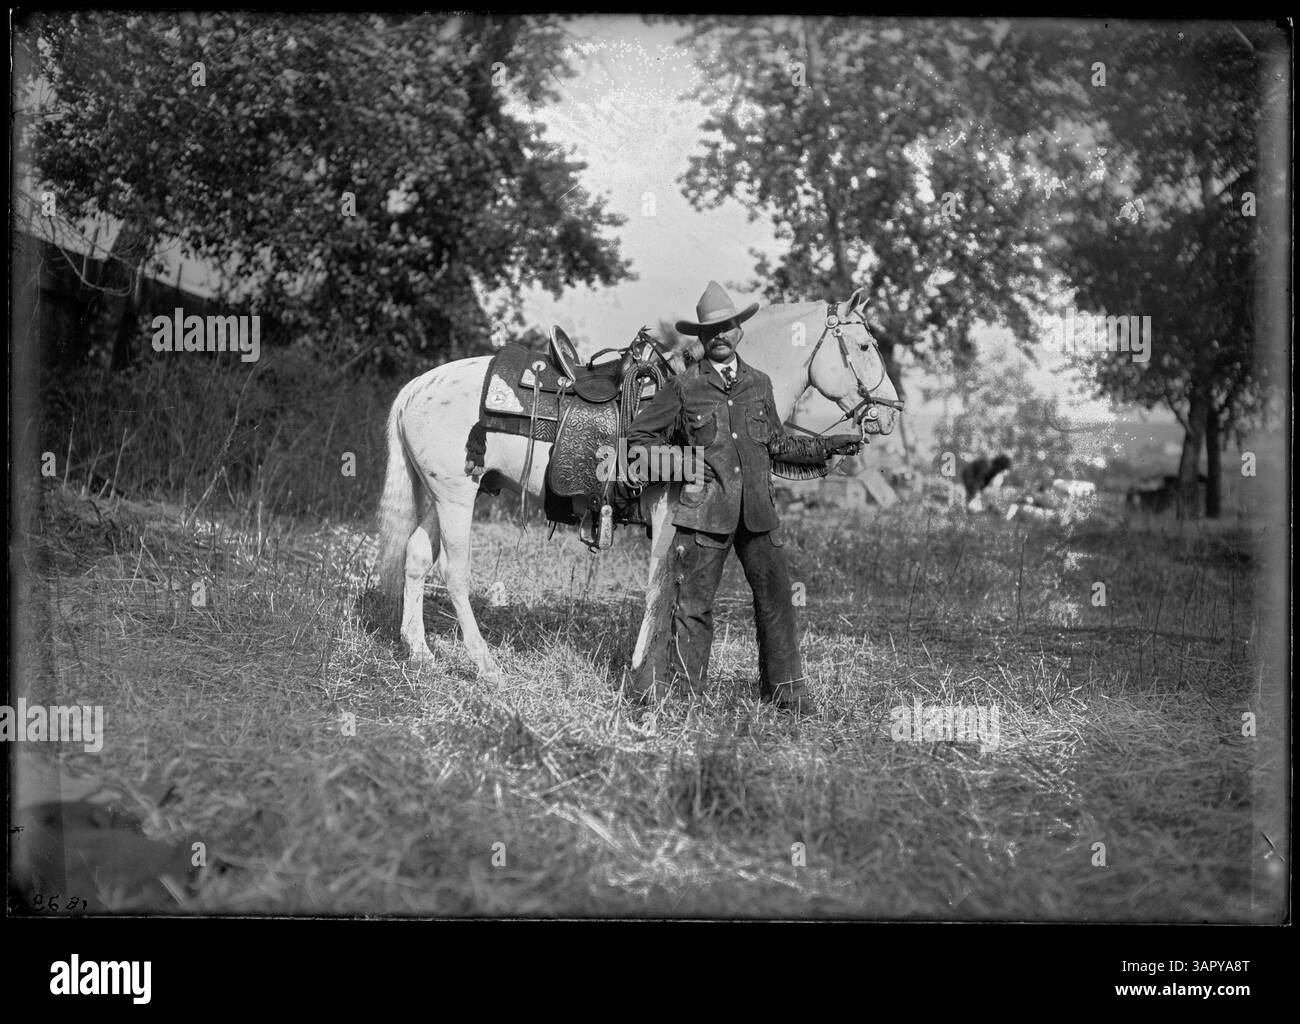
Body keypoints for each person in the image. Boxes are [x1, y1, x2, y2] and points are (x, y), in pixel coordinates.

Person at [624, 282, 860, 715]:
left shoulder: (760, 384)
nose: (719, 336)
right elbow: (637, 441)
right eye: (709, 331)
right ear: (701, 337)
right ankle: (683, 700)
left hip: (757, 514)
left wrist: (830, 446)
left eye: (726, 327)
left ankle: (787, 697)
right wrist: (683, 464)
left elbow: (777, 444)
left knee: (778, 601)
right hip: (703, 517)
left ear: (738, 331)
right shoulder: (684, 388)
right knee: (693, 607)